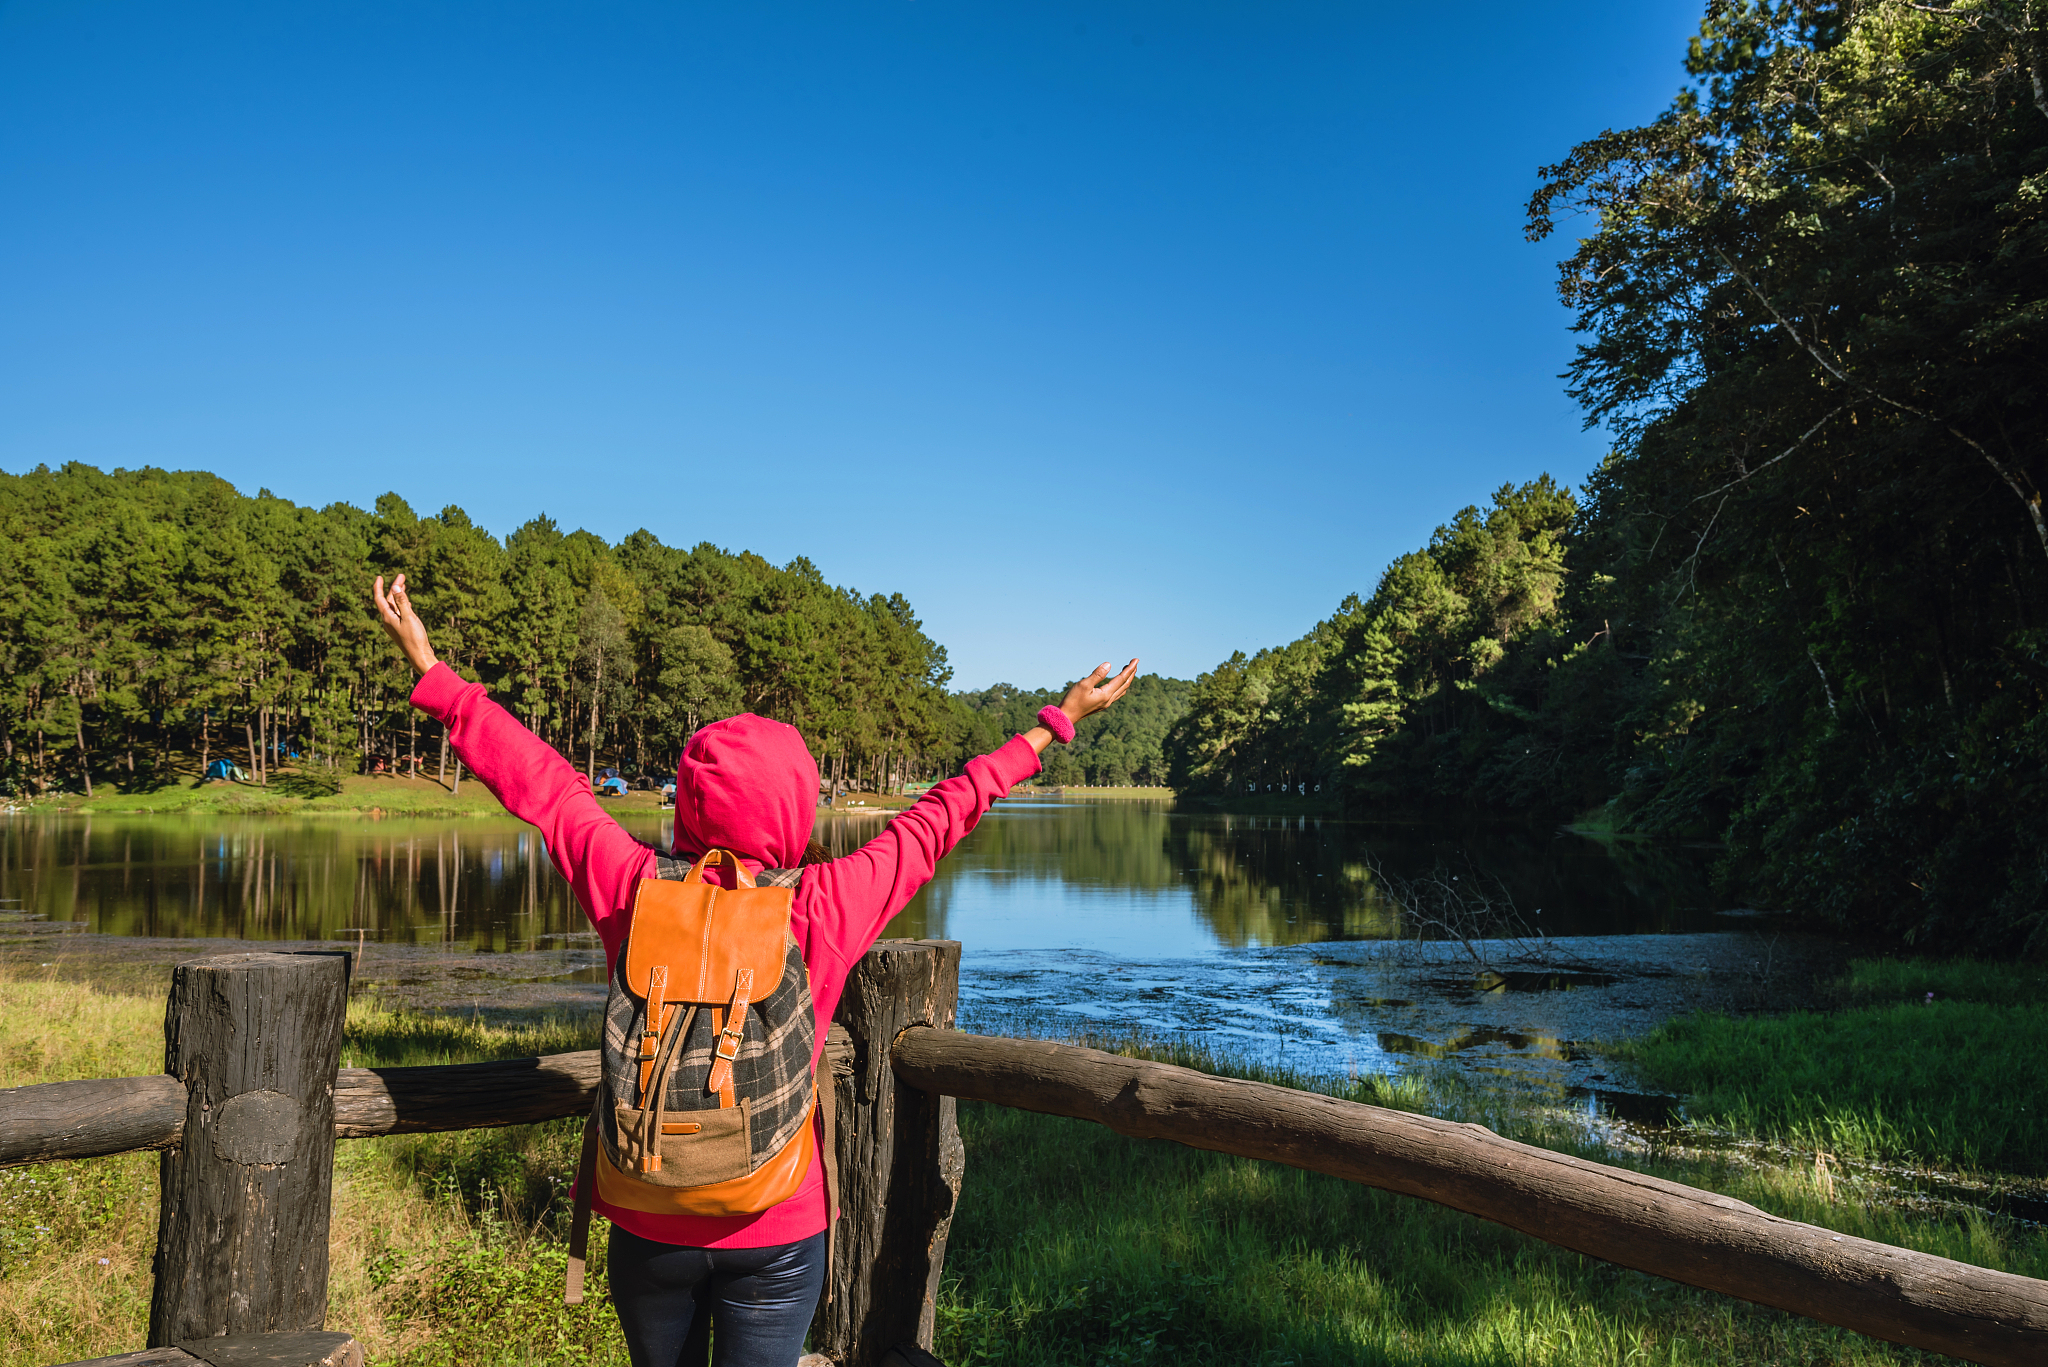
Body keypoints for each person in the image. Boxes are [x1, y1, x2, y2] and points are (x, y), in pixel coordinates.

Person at [371, 572, 1135, 1367]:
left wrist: (438, 675)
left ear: (690, 800)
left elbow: (546, 787)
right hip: (777, 1221)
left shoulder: (632, 885)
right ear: (796, 807)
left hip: (645, 1213)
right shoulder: (824, 901)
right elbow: (941, 814)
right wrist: (1056, 724)